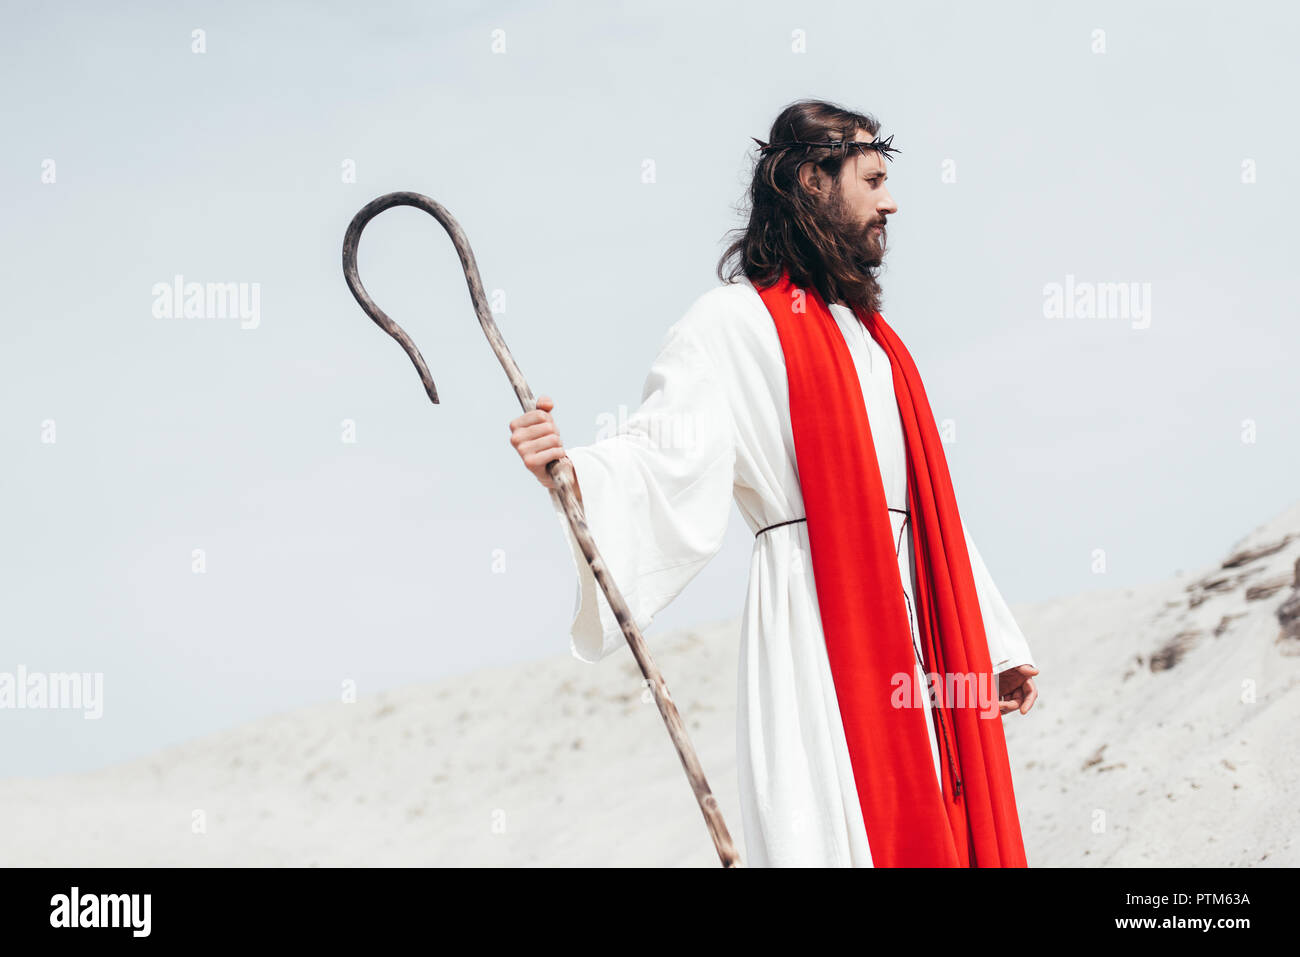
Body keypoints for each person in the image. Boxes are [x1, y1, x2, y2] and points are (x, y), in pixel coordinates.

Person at [508, 99, 1040, 867]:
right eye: (874, 178)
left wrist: (991, 639)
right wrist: (572, 468)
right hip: (815, 626)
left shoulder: (880, 343)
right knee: (828, 829)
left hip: (918, 642)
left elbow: (922, 514)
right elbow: (661, 457)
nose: (892, 201)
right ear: (808, 182)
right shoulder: (727, 324)